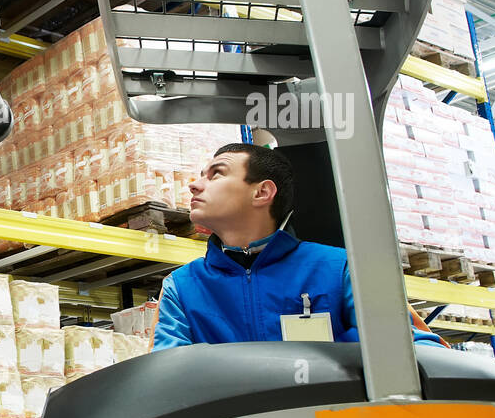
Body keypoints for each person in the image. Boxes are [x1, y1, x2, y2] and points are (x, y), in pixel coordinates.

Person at [152, 143, 445, 350]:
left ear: (262, 192)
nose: (195, 185)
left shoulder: (343, 269)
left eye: (216, 173)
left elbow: (412, 348)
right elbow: (165, 377)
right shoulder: (181, 286)